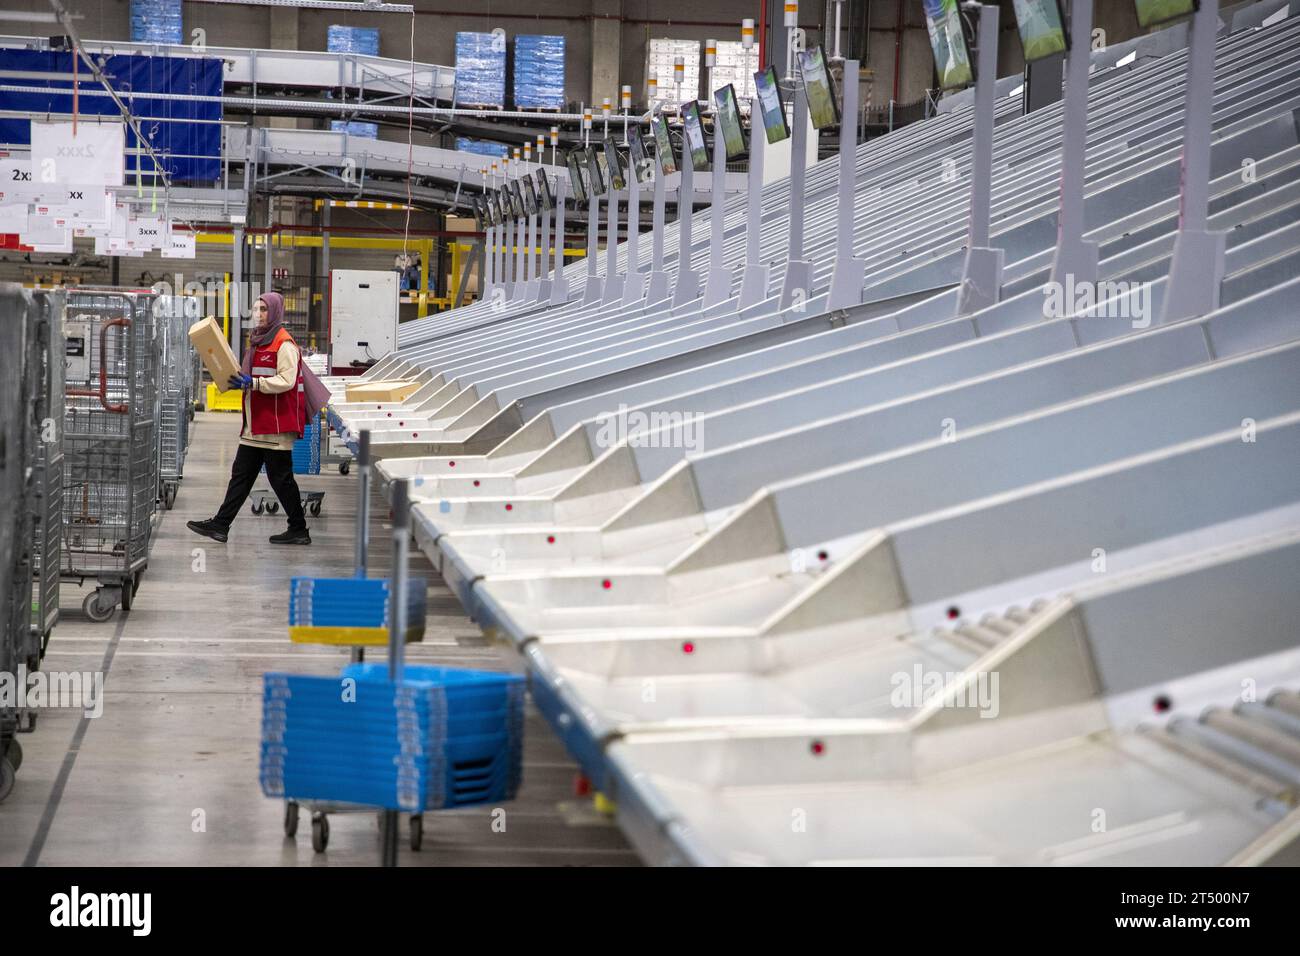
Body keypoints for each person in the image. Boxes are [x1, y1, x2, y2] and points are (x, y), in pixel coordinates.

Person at [187, 292, 311, 545]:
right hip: (256, 426)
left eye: (264, 309)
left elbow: (287, 381)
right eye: (256, 309)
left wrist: (253, 382)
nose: (259, 314)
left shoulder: (283, 344)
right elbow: (250, 377)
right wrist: (236, 381)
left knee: (281, 479)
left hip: (274, 426)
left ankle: (298, 529)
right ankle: (221, 525)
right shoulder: (257, 343)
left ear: (275, 311)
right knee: (241, 476)